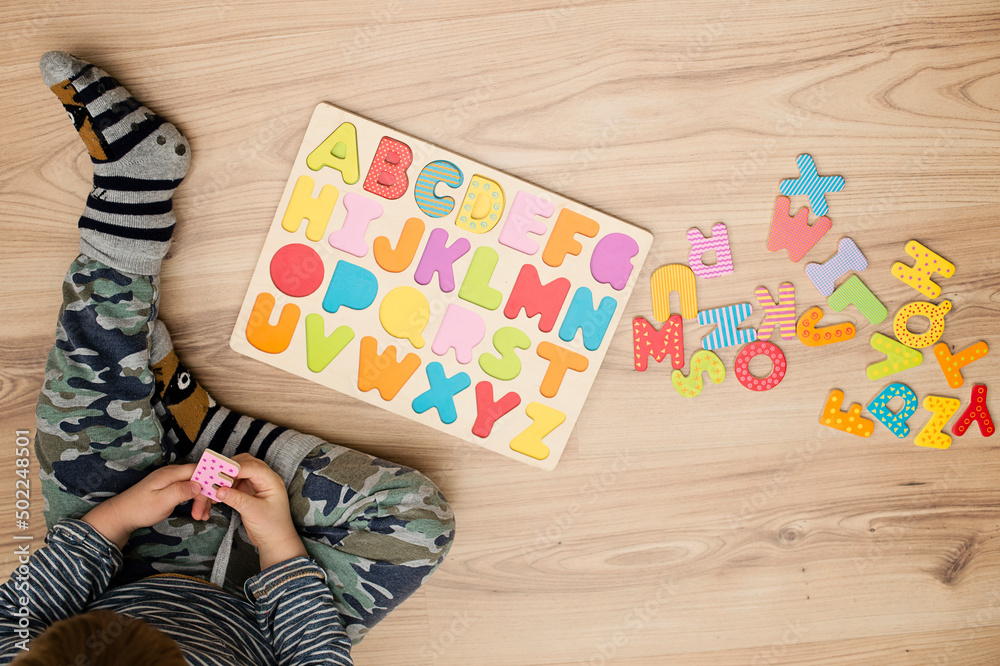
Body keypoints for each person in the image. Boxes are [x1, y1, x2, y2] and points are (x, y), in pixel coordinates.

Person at [0, 51, 455, 665]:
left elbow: (18, 615)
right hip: (267, 602)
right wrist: (277, 546)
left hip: (120, 556)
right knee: (413, 521)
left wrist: (116, 518)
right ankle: (201, 425)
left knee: (79, 389)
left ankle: (134, 188)